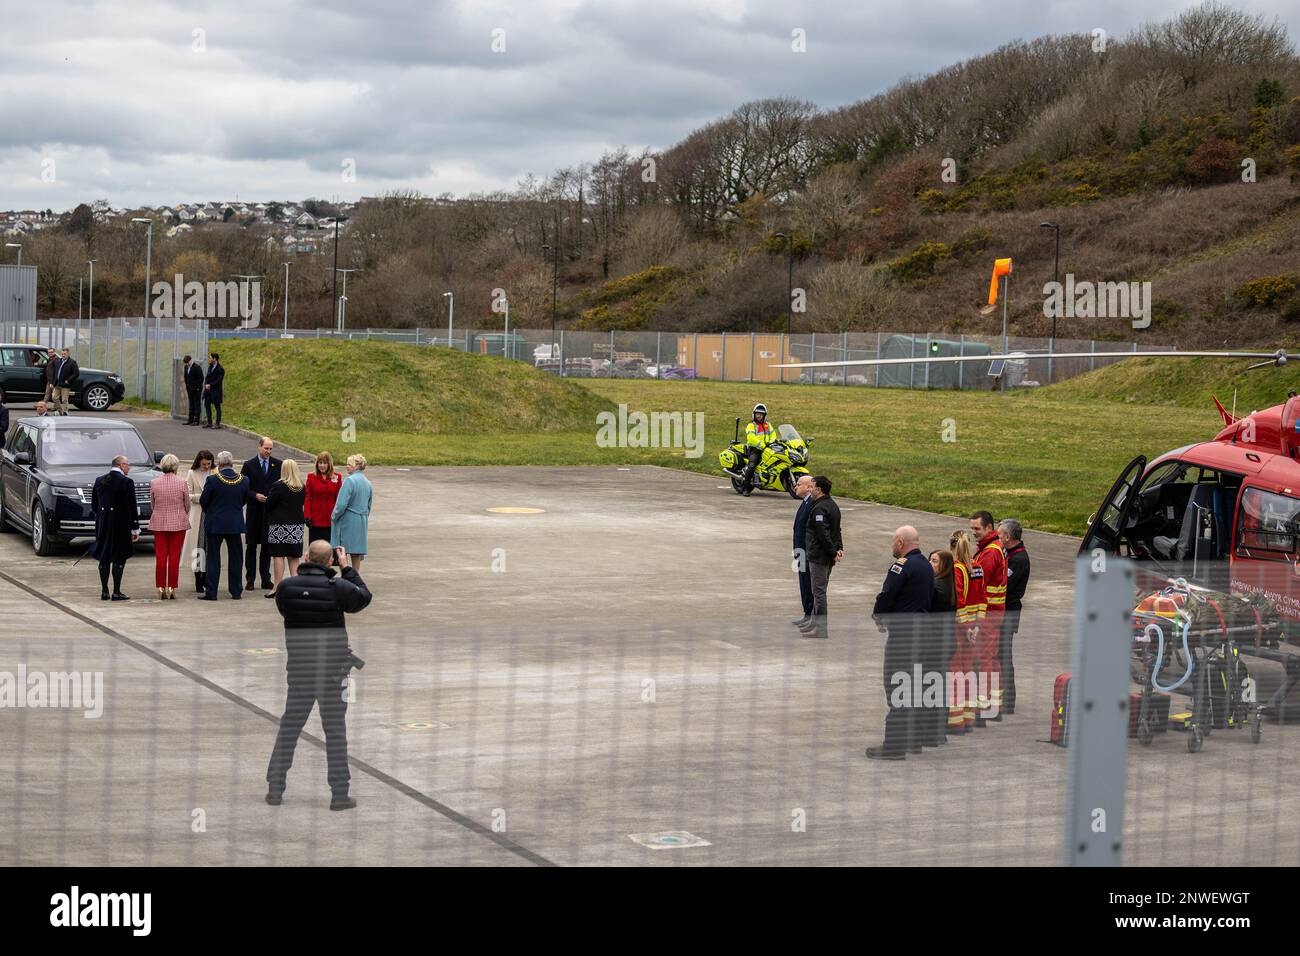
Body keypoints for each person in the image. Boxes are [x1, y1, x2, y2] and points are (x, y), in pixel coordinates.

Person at [265, 539, 372, 811]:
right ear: (330, 561)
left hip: (300, 669)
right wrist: (347, 568)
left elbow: (284, 610)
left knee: (290, 727)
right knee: (335, 731)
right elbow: (363, 597)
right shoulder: (337, 588)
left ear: (305, 557)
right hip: (332, 672)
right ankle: (339, 793)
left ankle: (275, 787)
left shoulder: (287, 588)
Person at [868, 526, 934, 760]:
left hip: (904, 634)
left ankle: (894, 746)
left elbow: (887, 595)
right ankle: (913, 740)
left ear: (900, 541)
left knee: (896, 685)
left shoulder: (902, 565)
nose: (892, 546)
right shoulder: (926, 566)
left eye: (893, 542)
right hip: (923, 633)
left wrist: (878, 614)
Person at [969, 510, 1007, 723]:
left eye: (977, 529)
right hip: (994, 613)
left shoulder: (990, 553)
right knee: (991, 659)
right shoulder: (991, 548)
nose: (973, 532)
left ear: (989, 528)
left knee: (984, 659)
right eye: (972, 528)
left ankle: (985, 707)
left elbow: (977, 582)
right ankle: (994, 705)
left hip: (988, 614)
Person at [199, 450, 251, 600]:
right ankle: (236, 591)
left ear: (219, 464)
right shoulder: (244, 480)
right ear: (232, 464)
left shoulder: (213, 480)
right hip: (235, 523)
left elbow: (204, 501)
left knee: (213, 559)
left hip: (215, 523)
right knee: (236, 558)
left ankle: (211, 592)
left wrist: (212, 511)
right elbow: (244, 500)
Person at [947, 530, 985, 735]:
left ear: (952, 547)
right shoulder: (977, 568)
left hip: (959, 629)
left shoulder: (956, 570)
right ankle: (969, 717)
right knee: (969, 671)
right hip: (974, 629)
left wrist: (966, 628)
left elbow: (959, 602)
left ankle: (956, 721)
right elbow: (982, 599)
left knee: (955, 673)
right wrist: (977, 626)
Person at [91, 455, 139, 601]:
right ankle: (116, 591)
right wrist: (135, 528)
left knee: (104, 554)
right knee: (119, 555)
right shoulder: (126, 482)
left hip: (104, 522)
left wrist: (101, 517)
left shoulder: (100, 480)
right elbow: (131, 506)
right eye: (128, 464)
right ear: (121, 465)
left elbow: (94, 504)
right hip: (120, 523)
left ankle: (104, 591)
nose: (129, 467)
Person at [798, 475, 842, 639]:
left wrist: (832, 551)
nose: (810, 489)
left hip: (819, 557)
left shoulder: (819, 508)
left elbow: (823, 534)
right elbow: (837, 530)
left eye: (813, 487)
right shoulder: (832, 505)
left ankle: (821, 629)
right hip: (826, 556)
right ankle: (816, 625)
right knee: (819, 592)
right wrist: (839, 548)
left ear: (819, 490)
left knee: (819, 593)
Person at [998, 518, 1031, 717]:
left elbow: (1004, 584)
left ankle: (1008, 699)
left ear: (1008, 537)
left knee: (1003, 655)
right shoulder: (1011, 554)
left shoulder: (1017, 560)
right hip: (1007, 612)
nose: (997, 537)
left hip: (1007, 613)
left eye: (999, 534)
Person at [241, 437, 282, 590]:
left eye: (271, 449)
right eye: (266, 448)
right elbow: (243, 487)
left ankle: (266, 578)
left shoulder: (278, 464)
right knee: (251, 546)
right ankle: (250, 579)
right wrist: (254, 495)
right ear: (259, 447)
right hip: (254, 511)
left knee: (267, 547)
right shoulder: (249, 465)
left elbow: (281, 485)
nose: (268, 451)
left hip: (270, 511)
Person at [147, 454, 191, 600]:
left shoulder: (154, 482)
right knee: (174, 555)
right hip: (178, 522)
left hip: (159, 522)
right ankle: (171, 586)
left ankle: (160, 586)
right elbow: (187, 504)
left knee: (160, 555)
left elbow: (152, 504)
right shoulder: (182, 482)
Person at [265, 459, 307, 597]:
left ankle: (277, 586)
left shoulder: (278, 486)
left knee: (278, 556)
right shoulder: (302, 486)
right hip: (296, 526)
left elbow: (269, 505)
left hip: (279, 526)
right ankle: (296, 586)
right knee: (294, 556)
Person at [331, 453, 372, 575]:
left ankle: (346, 577)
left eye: (349, 464)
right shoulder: (367, 482)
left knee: (343, 551)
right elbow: (369, 505)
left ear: (357, 466)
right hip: (361, 520)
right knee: (356, 552)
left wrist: (334, 516)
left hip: (348, 520)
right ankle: (356, 577)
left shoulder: (349, 481)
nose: (347, 466)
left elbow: (341, 504)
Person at [184, 450, 214, 593]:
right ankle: (198, 580)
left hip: (211, 513)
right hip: (197, 512)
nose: (207, 466)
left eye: (209, 464)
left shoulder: (214, 473)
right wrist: (202, 497)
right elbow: (188, 494)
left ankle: (207, 577)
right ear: (199, 462)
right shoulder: (191, 473)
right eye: (204, 464)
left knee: (209, 547)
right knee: (197, 547)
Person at [791, 473, 815, 628]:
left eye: (799, 484)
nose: (795, 487)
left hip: (806, 551)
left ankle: (811, 614)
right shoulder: (805, 502)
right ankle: (807, 613)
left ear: (808, 487)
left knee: (809, 583)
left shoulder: (812, 503)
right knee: (803, 583)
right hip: (800, 551)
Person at [304, 451, 342, 544]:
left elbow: (339, 499)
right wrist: (307, 515)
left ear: (329, 464)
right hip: (315, 519)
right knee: (315, 549)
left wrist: (339, 515)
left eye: (325, 463)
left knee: (330, 549)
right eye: (320, 463)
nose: (322, 465)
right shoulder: (311, 477)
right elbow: (307, 497)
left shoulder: (337, 477)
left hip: (331, 519)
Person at [740, 403, 777, 492]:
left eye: (761, 414)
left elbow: (773, 434)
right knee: (752, 465)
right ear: (754, 414)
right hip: (755, 449)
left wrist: (771, 442)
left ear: (764, 415)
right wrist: (762, 445)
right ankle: (746, 487)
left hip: (768, 448)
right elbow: (751, 438)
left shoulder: (768, 425)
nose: (759, 416)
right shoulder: (751, 425)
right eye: (757, 414)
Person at [53, 348, 79, 416]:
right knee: (54, 397)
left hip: (65, 385)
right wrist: (53, 382)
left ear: (68, 354)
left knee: (64, 399)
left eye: (65, 354)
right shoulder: (58, 361)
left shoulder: (72, 362)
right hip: (57, 384)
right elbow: (55, 372)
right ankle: (60, 410)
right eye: (62, 354)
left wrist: (69, 380)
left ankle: (65, 412)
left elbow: (76, 373)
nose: (63, 355)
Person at [202, 352, 224, 429]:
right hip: (208, 391)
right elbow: (207, 377)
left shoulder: (220, 369)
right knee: (206, 405)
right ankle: (209, 422)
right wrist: (205, 384)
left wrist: (210, 385)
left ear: (215, 359)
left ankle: (217, 423)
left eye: (210, 358)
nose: (209, 359)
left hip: (216, 391)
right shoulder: (210, 367)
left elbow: (218, 380)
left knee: (217, 407)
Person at [183, 355, 204, 425]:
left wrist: (197, 388)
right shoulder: (186, 367)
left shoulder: (197, 367)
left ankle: (196, 420)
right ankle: (190, 419)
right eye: (185, 363)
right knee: (191, 404)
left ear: (191, 360)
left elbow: (201, 378)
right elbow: (186, 378)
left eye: (187, 362)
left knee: (196, 404)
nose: (186, 364)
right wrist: (187, 387)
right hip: (190, 389)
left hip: (196, 389)